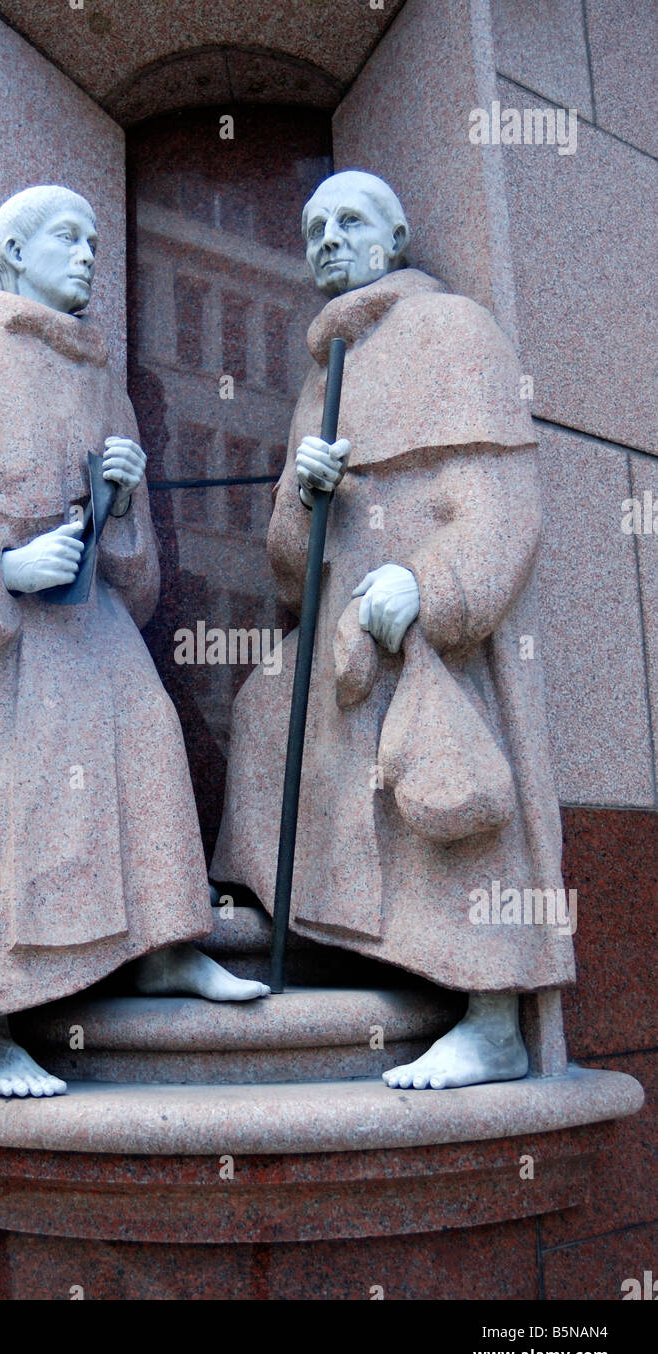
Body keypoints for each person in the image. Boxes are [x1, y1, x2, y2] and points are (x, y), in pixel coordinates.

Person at [0, 185, 267, 1100]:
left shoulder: (99, 380)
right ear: (10, 255)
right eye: (67, 240)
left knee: (150, 732)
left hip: (90, 628)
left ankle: (163, 946)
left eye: (96, 244)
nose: (87, 258)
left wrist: (120, 505)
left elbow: (136, 581)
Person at [210, 171, 575, 1090]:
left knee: (454, 769)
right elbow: (290, 571)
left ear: (398, 236)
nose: (327, 238)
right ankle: (309, 927)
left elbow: (502, 505)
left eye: (349, 222)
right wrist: (304, 493)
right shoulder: (320, 373)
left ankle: (492, 1015)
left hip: (426, 628)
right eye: (312, 227)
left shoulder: (455, 331)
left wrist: (429, 586)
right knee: (265, 708)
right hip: (338, 635)